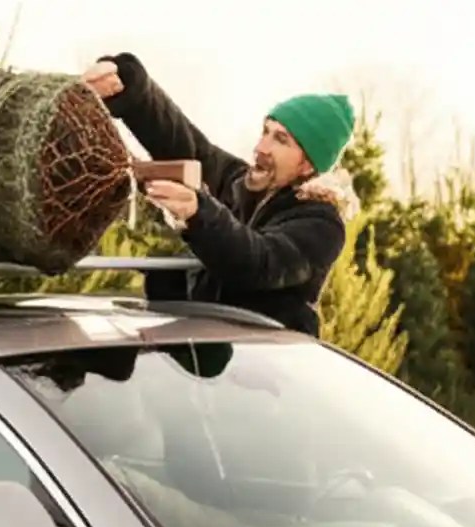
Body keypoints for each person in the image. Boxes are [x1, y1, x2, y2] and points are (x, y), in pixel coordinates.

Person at [82, 53, 358, 336]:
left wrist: (198, 213)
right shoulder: (239, 184)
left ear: (308, 164)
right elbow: (187, 145)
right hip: (204, 355)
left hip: (262, 370)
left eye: (280, 139)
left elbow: (260, 263)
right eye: (265, 131)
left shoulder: (321, 224)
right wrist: (130, 86)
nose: (261, 148)